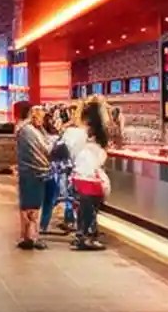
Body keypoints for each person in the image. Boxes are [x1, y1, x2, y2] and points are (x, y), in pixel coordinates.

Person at [70, 98, 111, 251]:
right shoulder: (100, 136)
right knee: (91, 208)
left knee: (83, 207)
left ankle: (81, 236)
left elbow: (72, 151)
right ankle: (87, 237)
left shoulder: (80, 133)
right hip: (92, 175)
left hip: (81, 174)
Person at [43, 103, 87, 234]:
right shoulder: (84, 133)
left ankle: (44, 224)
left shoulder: (68, 132)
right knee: (74, 196)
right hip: (78, 168)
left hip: (63, 168)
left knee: (56, 195)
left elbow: (58, 149)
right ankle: (75, 222)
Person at [15, 101, 51, 250]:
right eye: (41, 116)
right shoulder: (30, 131)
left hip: (27, 172)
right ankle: (31, 237)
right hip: (34, 171)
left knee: (26, 204)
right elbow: (46, 148)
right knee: (33, 206)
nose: (42, 119)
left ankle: (26, 236)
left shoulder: (24, 129)